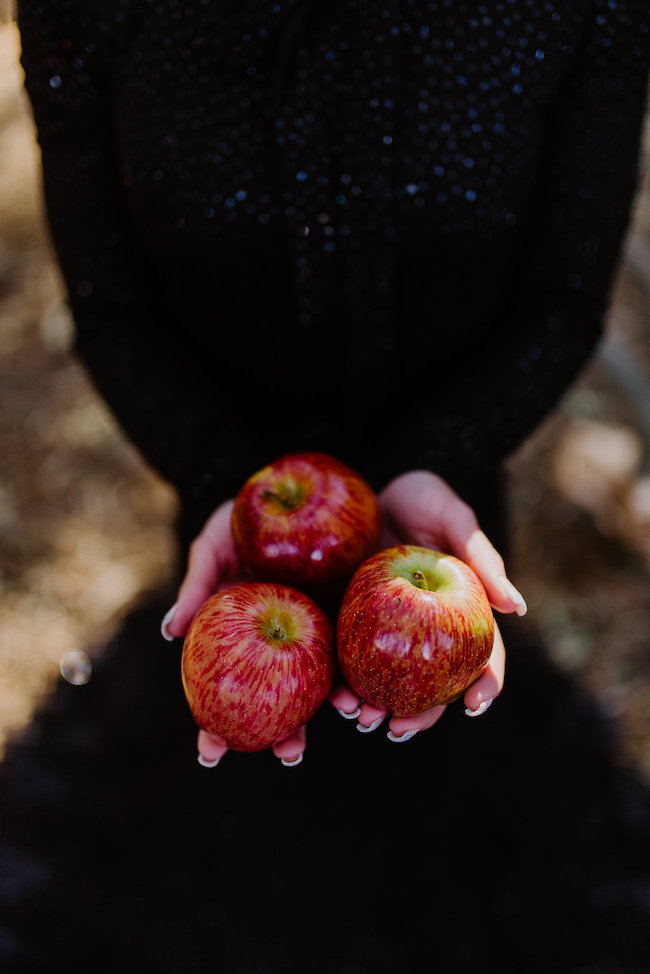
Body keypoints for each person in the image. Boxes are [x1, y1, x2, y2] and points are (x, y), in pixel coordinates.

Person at [10, 1, 650, 970]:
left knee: (447, 822)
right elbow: (109, 309)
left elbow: (562, 298)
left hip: (441, 528)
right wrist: (227, 478)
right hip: (232, 529)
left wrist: (440, 451)